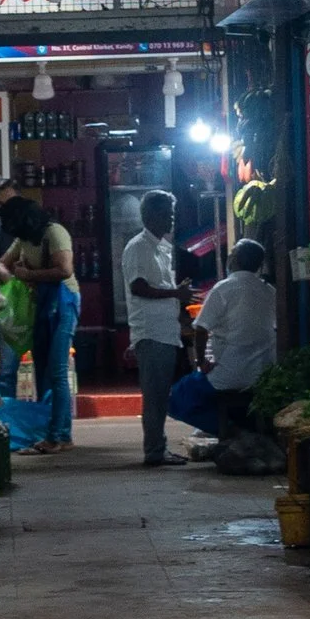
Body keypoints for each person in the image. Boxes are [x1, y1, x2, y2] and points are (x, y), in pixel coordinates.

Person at [0, 195, 78, 453]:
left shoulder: (55, 233)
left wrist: (29, 275)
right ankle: (54, 432)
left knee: (57, 370)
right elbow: (1, 263)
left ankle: (58, 436)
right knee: (43, 370)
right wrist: (12, 279)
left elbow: (65, 270)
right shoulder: (24, 239)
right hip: (41, 303)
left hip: (64, 302)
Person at [172, 239, 278, 440]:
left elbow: (201, 330)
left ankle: (228, 429)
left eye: (232, 253)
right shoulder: (269, 291)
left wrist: (201, 362)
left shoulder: (223, 289)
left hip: (228, 374)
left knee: (179, 395)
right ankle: (237, 426)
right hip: (263, 373)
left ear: (234, 259)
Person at [120, 189, 187, 468]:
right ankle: (155, 450)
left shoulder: (162, 247)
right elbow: (139, 287)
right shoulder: (138, 247)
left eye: (172, 214)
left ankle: (158, 447)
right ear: (149, 215)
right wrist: (175, 295)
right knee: (155, 395)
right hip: (152, 331)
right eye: (166, 214)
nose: (171, 220)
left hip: (164, 330)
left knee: (160, 394)